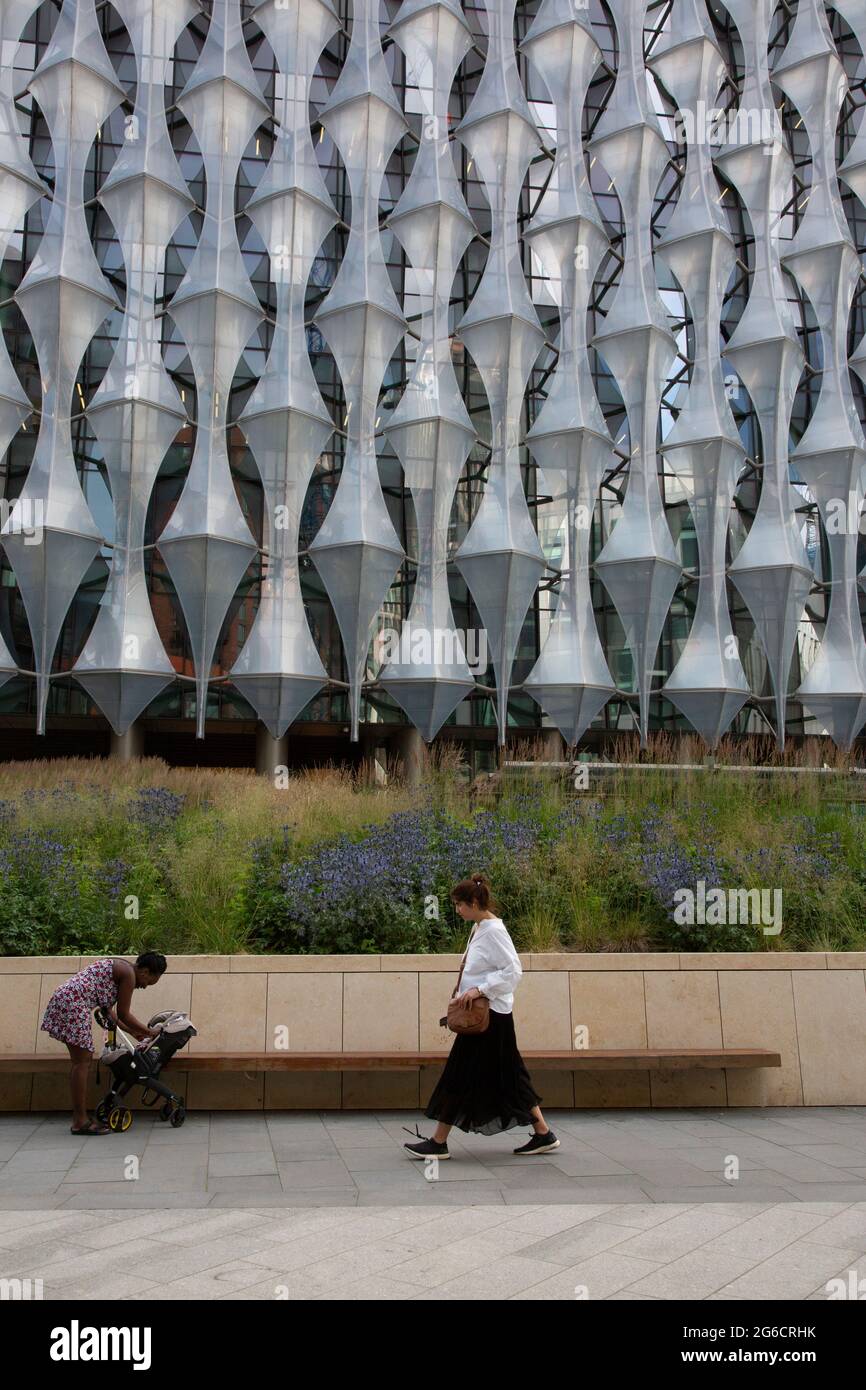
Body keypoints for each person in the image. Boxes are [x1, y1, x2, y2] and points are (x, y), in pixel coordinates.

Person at [404, 875, 559, 1160]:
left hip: (491, 1019)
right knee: (510, 1075)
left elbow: (514, 971)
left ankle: (439, 1142)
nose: (457, 910)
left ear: (475, 903)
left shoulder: (494, 931)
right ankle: (543, 1133)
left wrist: (479, 989)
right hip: (490, 1019)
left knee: (458, 1073)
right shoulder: (480, 928)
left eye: (460, 905)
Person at [40, 953, 167, 1136]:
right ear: (145, 971)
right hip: (74, 1004)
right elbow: (124, 1013)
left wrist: (134, 1033)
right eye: (149, 982)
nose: (144, 986)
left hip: (67, 999)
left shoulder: (122, 968)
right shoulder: (129, 975)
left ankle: (80, 1118)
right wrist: (150, 1032)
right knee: (82, 1063)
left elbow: (110, 1013)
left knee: (81, 1062)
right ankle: (80, 1121)